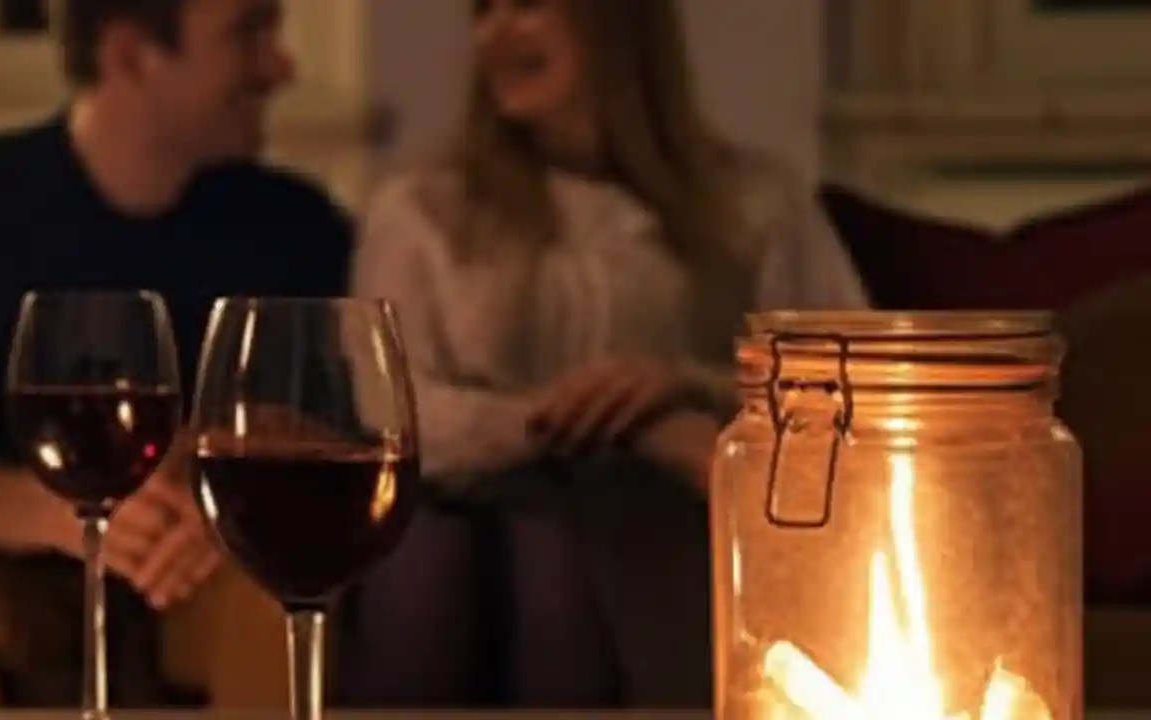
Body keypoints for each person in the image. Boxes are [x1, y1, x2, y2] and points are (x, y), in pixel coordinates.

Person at [354, 0, 868, 707]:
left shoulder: (749, 201)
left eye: (526, 5)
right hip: (467, 524)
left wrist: (687, 387)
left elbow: (854, 380)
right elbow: (392, 415)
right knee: (469, 545)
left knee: (558, 554)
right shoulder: (424, 209)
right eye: (482, 10)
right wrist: (620, 426)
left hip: (665, 530)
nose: (494, 34)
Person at [0, 0, 350, 708]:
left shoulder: (296, 225)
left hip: (199, 572)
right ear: (130, 54)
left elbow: (332, 436)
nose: (280, 68)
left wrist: (223, 491)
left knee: (276, 567)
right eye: (247, 34)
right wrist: (73, 516)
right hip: (16, 574)